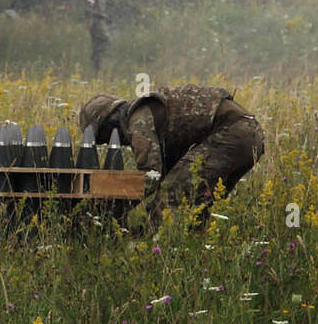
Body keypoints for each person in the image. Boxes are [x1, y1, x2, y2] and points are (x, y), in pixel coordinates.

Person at [79, 84, 264, 226]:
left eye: (105, 137)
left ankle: (152, 250)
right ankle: (191, 250)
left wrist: (111, 208)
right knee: (196, 201)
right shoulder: (150, 114)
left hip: (232, 134)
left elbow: (151, 176)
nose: (112, 143)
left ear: (111, 122)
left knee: (171, 195)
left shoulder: (138, 120)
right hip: (248, 135)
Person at [86, 0, 114, 72]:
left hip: (99, 19)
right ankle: (96, 59)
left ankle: (96, 64)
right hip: (96, 21)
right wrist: (90, 17)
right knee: (105, 40)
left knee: (98, 42)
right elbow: (90, 2)